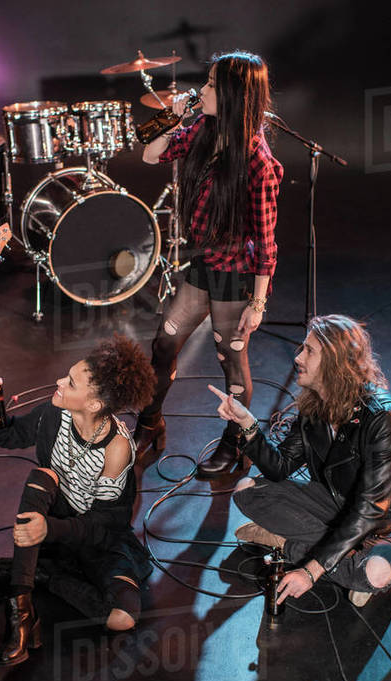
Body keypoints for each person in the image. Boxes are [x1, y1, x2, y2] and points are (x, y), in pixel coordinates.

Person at [212, 314, 391, 607]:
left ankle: (289, 545)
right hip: (339, 505)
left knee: (376, 573)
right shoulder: (314, 405)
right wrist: (248, 425)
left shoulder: (386, 418)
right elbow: (280, 468)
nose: (297, 357)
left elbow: (370, 508)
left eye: (309, 350)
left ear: (334, 362)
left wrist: (310, 570)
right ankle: (338, 559)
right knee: (246, 489)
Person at [134, 50, 283, 478]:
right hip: (204, 264)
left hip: (237, 275)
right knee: (164, 343)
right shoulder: (203, 127)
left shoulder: (259, 161)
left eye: (213, 84)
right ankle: (150, 424)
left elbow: (267, 244)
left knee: (231, 361)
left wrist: (257, 306)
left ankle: (236, 444)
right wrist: (171, 120)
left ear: (235, 94)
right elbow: (150, 156)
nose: (203, 90)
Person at [0, 335, 156, 666]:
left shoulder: (117, 448)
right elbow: (7, 434)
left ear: (94, 404)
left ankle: (40, 574)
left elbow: (105, 526)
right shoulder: (53, 413)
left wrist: (50, 530)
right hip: (54, 524)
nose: (58, 382)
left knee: (123, 618)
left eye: (70, 383)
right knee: (43, 479)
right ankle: (22, 612)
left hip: (94, 538)